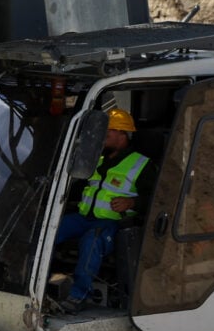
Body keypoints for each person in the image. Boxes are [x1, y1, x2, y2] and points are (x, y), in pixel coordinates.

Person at [53, 108, 151, 312]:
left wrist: (131, 203)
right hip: (83, 217)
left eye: (106, 135)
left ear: (123, 135)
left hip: (113, 223)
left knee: (92, 241)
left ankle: (78, 296)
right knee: (50, 230)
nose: (102, 139)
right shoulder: (96, 160)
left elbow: (155, 198)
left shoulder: (142, 165)